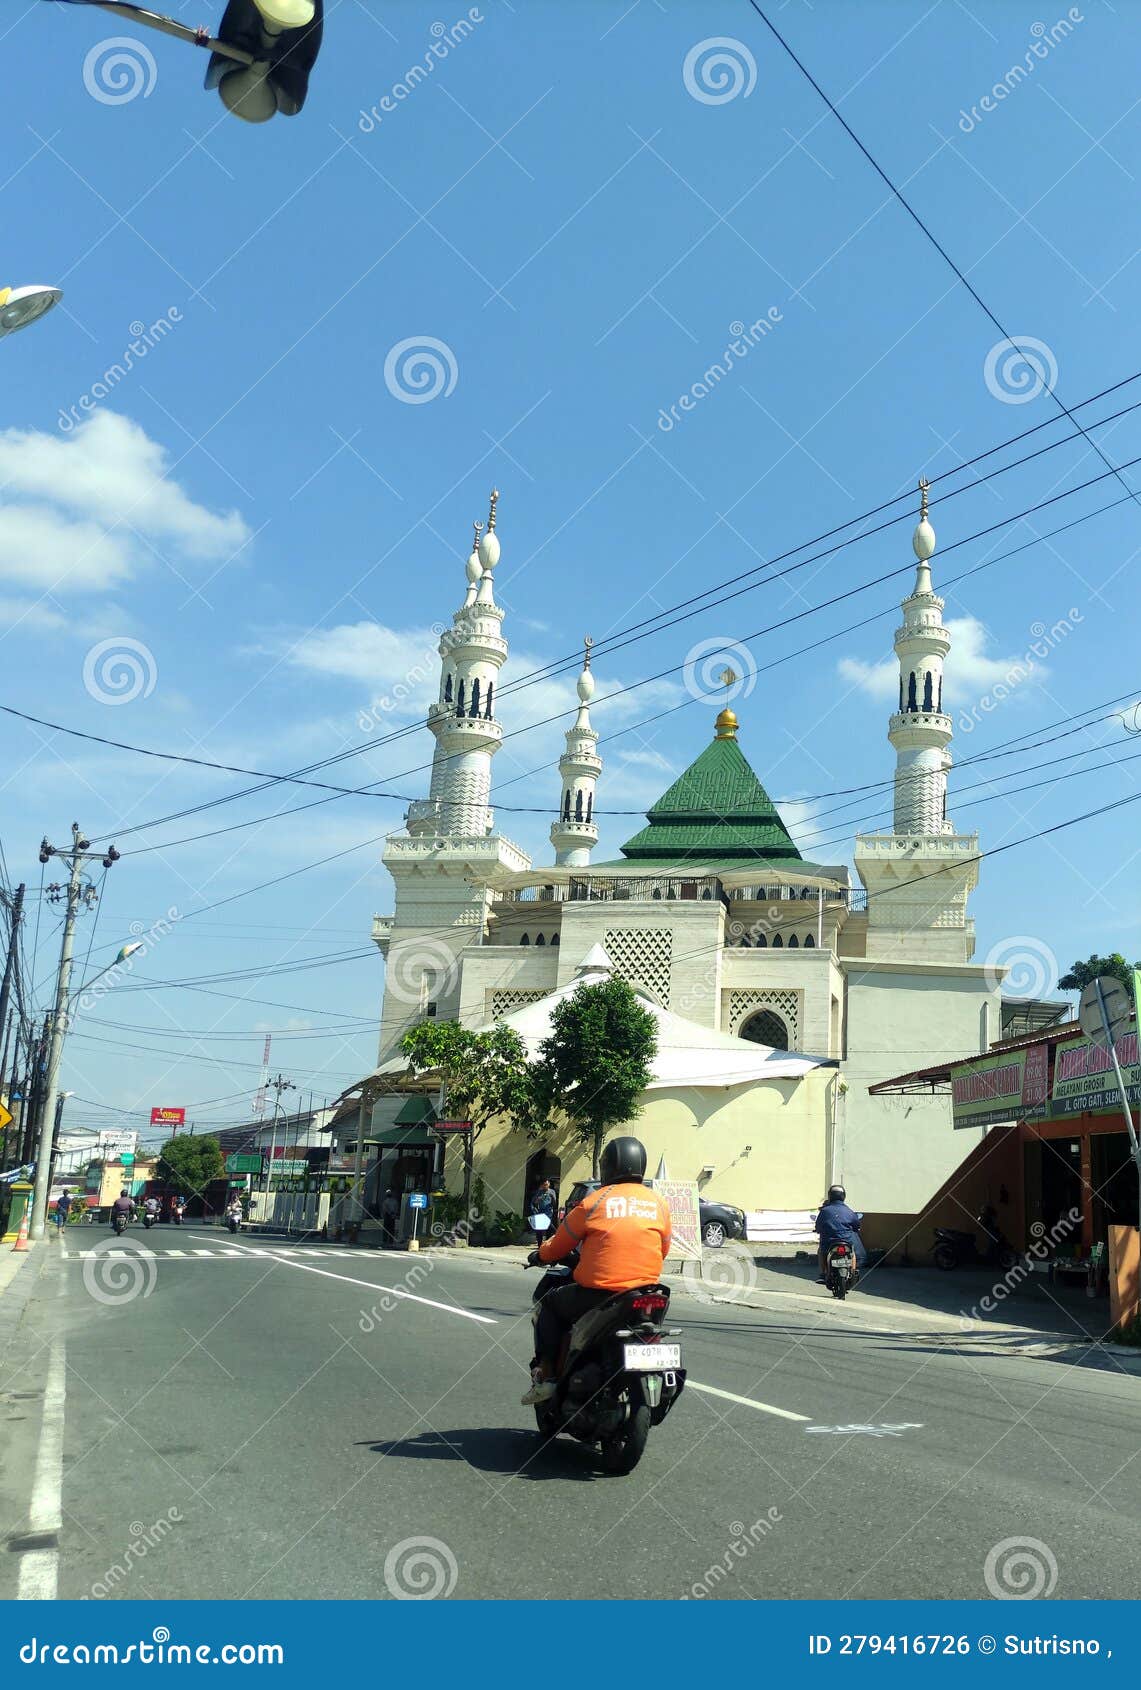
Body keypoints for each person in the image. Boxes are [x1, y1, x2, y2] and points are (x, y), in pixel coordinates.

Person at [522, 1135, 671, 1407]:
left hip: (598, 1294)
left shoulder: (594, 1202)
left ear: (609, 1167)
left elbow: (558, 1246)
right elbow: (664, 1249)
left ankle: (547, 1376)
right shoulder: (659, 1203)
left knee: (549, 1305)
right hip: (646, 1294)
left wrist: (539, 1254)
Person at [814, 1184, 865, 1281]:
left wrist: (818, 1230)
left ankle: (822, 1274)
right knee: (852, 1253)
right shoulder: (849, 1211)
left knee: (821, 1251)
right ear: (843, 1196)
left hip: (829, 1241)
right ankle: (853, 1272)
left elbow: (818, 1225)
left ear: (830, 1196)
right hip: (847, 1241)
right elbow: (856, 1224)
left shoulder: (825, 1211)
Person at [528, 1177, 556, 1246]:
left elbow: (554, 1203)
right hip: (540, 1213)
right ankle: (540, 1245)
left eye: (547, 1184)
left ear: (549, 1184)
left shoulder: (552, 1192)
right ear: (541, 1185)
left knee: (549, 1229)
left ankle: (548, 1245)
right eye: (544, 1184)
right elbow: (533, 1203)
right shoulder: (539, 1192)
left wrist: (552, 1197)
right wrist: (538, 1200)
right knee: (539, 1230)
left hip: (548, 1213)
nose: (545, 1186)